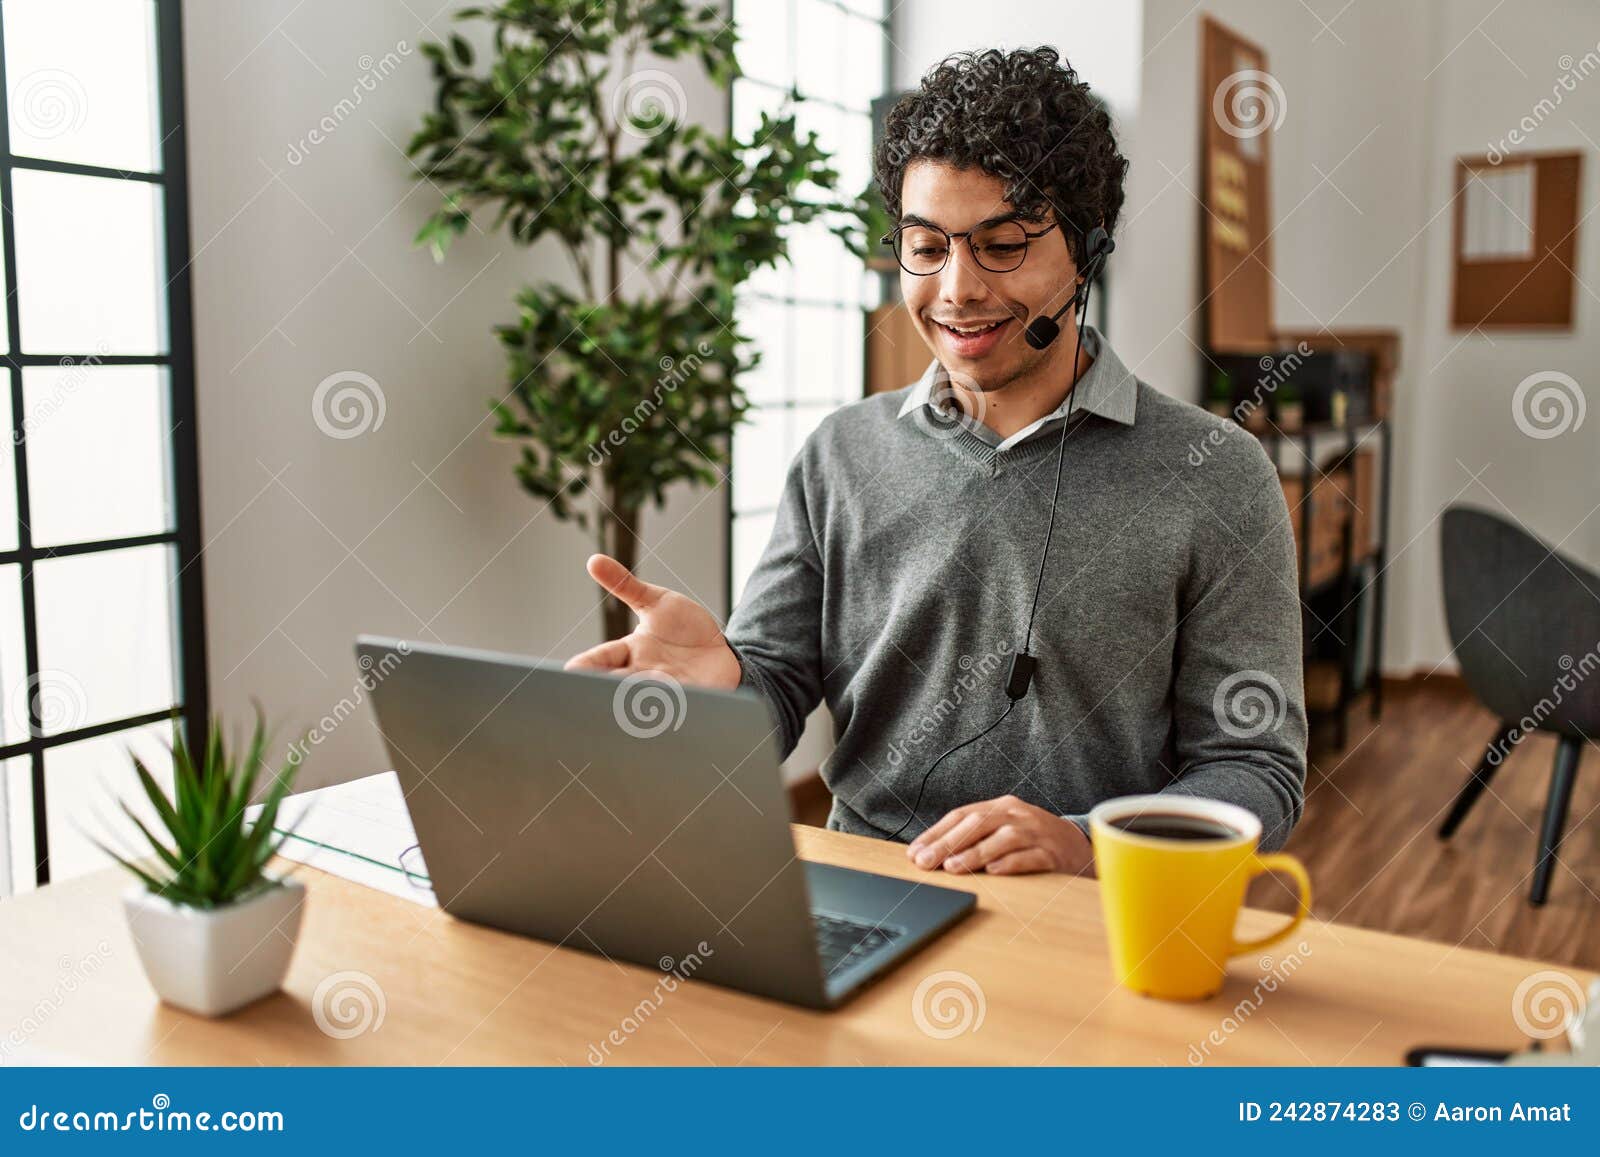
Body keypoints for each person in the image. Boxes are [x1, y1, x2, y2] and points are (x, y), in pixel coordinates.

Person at [568, 46, 1306, 877]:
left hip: (1092, 918)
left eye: (1001, 244)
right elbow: (772, 691)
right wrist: (722, 690)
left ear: (1088, 253)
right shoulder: (841, 456)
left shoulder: (1217, 475)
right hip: (863, 894)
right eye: (926, 246)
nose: (954, 289)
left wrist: (1088, 844)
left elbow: (1256, 768)